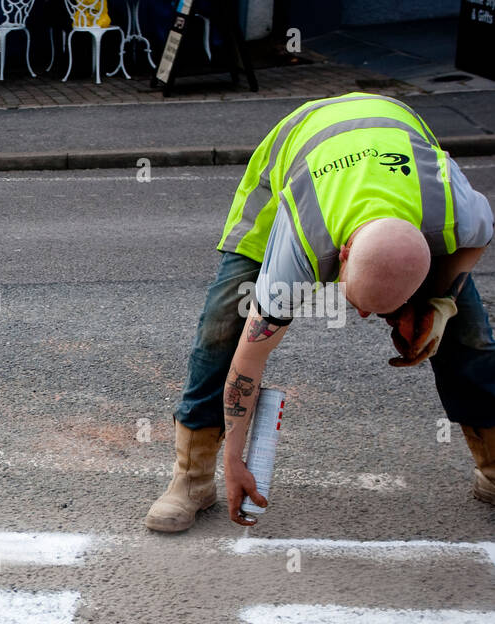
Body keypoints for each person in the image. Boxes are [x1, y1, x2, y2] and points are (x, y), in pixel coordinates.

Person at [144, 92, 495, 531]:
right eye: (357, 303)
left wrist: (441, 300)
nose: (364, 318)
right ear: (342, 253)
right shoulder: (303, 236)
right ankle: (192, 479)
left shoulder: (451, 207)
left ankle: (493, 469)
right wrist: (235, 460)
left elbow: (478, 239)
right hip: (297, 154)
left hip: (397, 138)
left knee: (468, 336)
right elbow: (250, 358)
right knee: (224, 326)